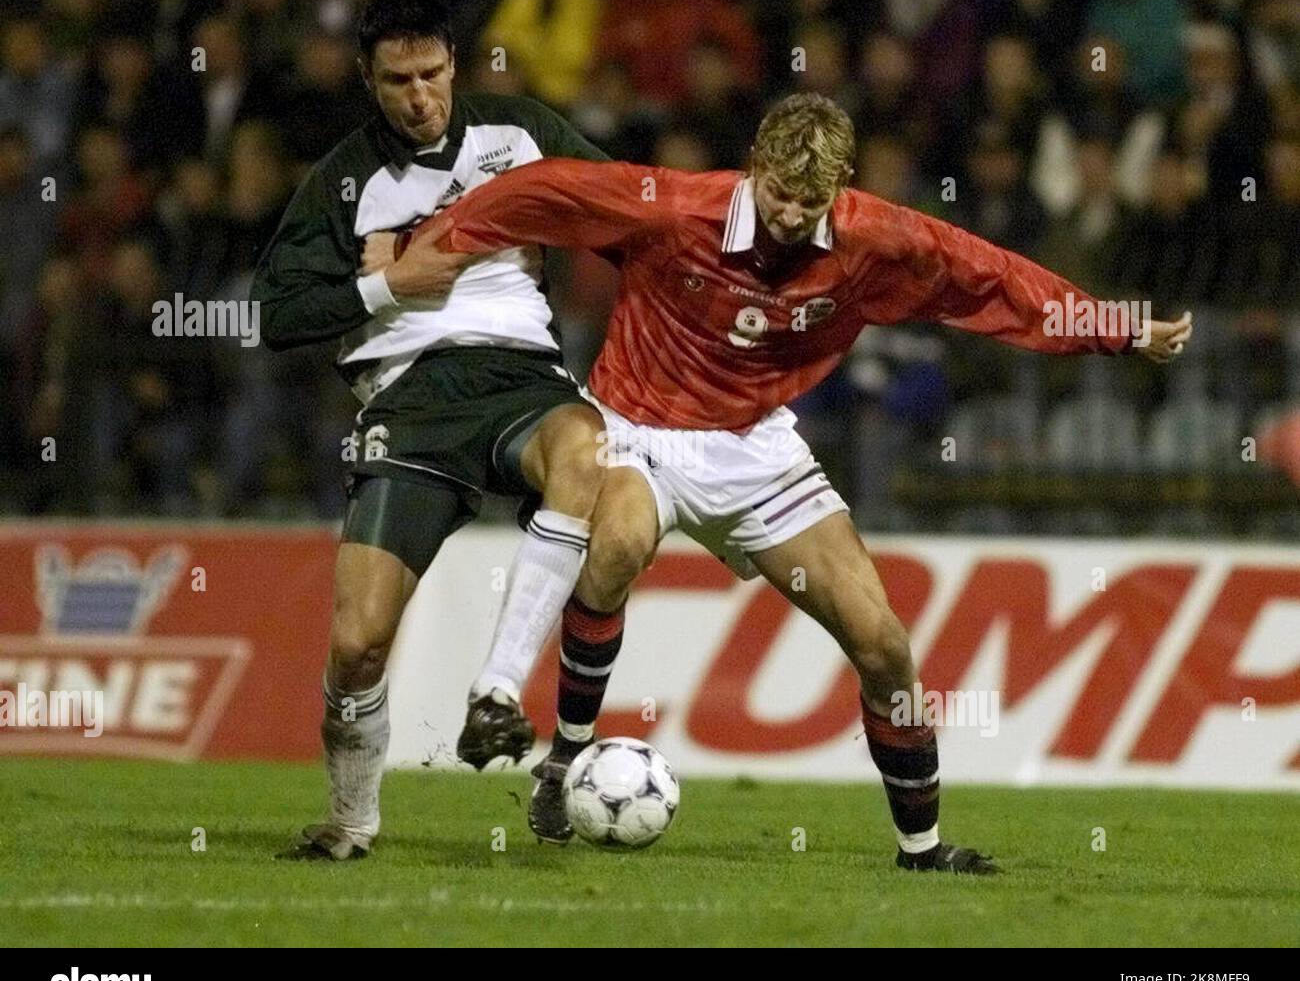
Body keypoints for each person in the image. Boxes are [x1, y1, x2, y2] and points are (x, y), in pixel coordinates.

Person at [400, 92, 1193, 873]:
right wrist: (435, 240)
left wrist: (1109, 327)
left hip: (758, 450)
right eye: (778, 192)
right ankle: (565, 756)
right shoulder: (674, 207)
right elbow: (544, 189)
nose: (788, 214)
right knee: (616, 545)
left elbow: (987, 276)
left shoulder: (873, 240)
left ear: (839, 189)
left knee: (884, 645)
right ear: (755, 166)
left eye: (809, 201)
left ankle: (921, 850)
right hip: (638, 428)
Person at [251, 0, 614, 861]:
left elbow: (624, 207)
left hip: (522, 376)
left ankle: (496, 691)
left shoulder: (519, 133)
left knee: (586, 446)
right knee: (358, 643)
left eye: (432, 73)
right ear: (367, 81)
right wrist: (388, 285)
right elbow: (271, 312)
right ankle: (350, 820)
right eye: (397, 81)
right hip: (410, 400)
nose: (420, 97)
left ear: (455, 62)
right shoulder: (345, 181)